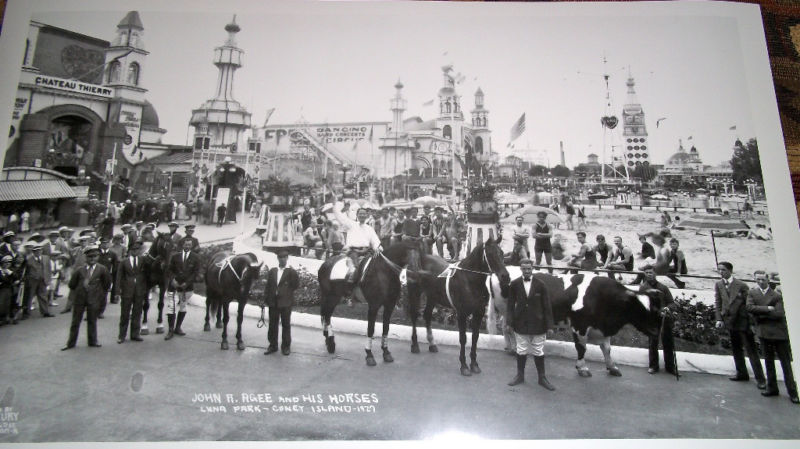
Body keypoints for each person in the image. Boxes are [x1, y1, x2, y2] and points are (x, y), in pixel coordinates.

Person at [746, 270, 799, 403]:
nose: (760, 282)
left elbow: (779, 314)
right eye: (758, 280)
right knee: (768, 362)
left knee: (785, 364)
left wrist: (759, 313)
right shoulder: (752, 293)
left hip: (779, 333)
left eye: (763, 280)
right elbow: (749, 308)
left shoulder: (777, 295)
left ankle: (793, 392)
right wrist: (768, 308)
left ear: (768, 280)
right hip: (764, 333)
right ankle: (772, 388)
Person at [715, 261, 766, 389]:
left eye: (723, 270)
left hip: (743, 322)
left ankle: (761, 379)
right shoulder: (719, 284)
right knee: (736, 348)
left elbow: (748, 304)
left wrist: (750, 323)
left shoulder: (741, 285)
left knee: (751, 350)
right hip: (730, 321)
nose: (721, 272)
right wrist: (719, 319)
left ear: (730, 271)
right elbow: (718, 302)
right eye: (719, 270)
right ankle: (741, 373)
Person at [506, 259, 555, 391]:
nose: (527, 271)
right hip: (520, 322)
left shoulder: (541, 285)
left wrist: (550, 326)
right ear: (521, 269)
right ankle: (520, 375)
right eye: (524, 269)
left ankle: (542, 378)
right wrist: (509, 323)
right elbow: (510, 305)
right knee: (521, 349)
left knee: (538, 350)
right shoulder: (515, 284)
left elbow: (547, 306)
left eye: (529, 268)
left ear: (532, 268)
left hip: (538, 323)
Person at [62, 246, 112, 350]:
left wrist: (98, 294)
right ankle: (70, 343)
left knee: (92, 321)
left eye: (94, 256)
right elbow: (72, 284)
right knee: (75, 321)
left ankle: (93, 341)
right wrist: (80, 289)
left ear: (98, 257)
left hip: (94, 299)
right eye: (89, 257)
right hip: (80, 299)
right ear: (86, 257)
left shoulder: (102, 269)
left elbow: (107, 284)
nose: (92, 259)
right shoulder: (79, 270)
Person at [640, 264, 678, 376]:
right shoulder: (643, 288)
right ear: (644, 274)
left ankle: (670, 367)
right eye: (647, 273)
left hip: (665, 318)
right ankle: (653, 366)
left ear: (655, 273)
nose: (649, 274)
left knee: (668, 343)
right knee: (653, 343)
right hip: (652, 320)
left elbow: (672, 303)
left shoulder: (663, 287)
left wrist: (667, 308)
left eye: (651, 272)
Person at [332, 199, 382, 285]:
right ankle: (352, 285)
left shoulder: (369, 228)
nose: (362, 215)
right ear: (357, 215)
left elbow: (375, 241)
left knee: (377, 266)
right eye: (360, 214)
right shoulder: (351, 224)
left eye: (364, 214)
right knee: (355, 270)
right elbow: (340, 216)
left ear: (367, 215)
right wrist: (334, 205)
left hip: (367, 252)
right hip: (353, 252)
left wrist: (378, 248)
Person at [263, 249, 299, 356]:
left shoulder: (291, 272)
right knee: (272, 325)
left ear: (287, 258)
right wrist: (265, 300)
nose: (282, 259)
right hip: (273, 303)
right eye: (280, 257)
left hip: (285, 303)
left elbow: (295, 285)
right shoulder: (273, 271)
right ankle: (272, 345)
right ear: (277, 258)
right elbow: (268, 286)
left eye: (284, 257)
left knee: (286, 325)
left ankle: (286, 346)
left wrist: (285, 293)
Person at [164, 238, 202, 340]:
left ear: (191, 246)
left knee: (183, 306)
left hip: (186, 288)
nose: (187, 247)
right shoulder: (175, 256)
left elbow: (195, 272)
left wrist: (187, 283)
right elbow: (169, 270)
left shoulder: (196, 257)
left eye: (189, 245)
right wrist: (173, 280)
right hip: (174, 286)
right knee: (171, 307)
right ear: (182, 245)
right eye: (185, 245)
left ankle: (178, 328)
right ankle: (170, 330)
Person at [115, 239, 149, 344]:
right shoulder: (124, 262)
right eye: (133, 249)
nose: (135, 251)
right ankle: (122, 335)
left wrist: (145, 290)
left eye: (137, 249)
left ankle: (135, 334)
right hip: (127, 291)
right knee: (125, 313)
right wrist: (117, 292)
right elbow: (118, 277)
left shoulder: (143, 260)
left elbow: (147, 274)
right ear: (130, 250)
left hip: (139, 291)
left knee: (137, 313)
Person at [22, 242, 53, 318]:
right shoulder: (28, 259)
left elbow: (49, 269)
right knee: (29, 296)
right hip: (32, 280)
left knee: (43, 296)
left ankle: (45, 312)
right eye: (36, 251)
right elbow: (26, 271)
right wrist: (27, 280)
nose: (38, 252)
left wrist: (48, 279)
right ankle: (26, 313)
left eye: (40, 250)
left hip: (43, 279)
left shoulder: (46, 258)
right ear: (33, 252)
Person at [96, 236, 120, 314]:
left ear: (109, 244)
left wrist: (112, 277)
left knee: (104, 293)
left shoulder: (112, 254)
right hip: (96, 275)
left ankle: (101, 311)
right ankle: (93, 311)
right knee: (94, 293)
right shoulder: (96, 253)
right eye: (103, 243)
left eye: (107, 243)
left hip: (107, 276)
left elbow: (115, 266)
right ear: (100, 244)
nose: (105, 245)